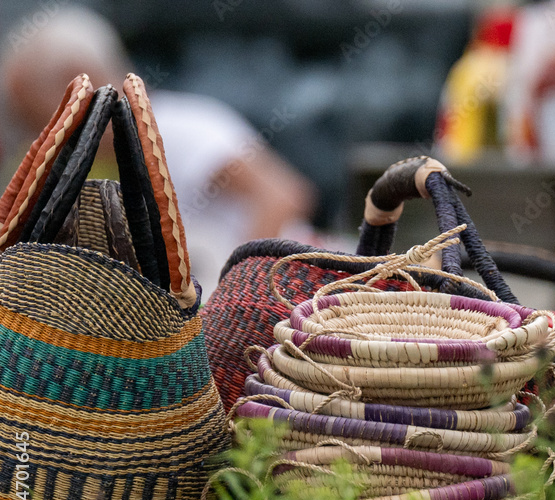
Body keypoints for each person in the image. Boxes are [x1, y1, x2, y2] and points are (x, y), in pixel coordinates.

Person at [0, 6, 317, 294]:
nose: (39, 136)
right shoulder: (110, 163)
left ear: (85, 79)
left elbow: (283, 196)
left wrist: (231, 296)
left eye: (38, 117)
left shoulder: (174, 128)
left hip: (287, 300)